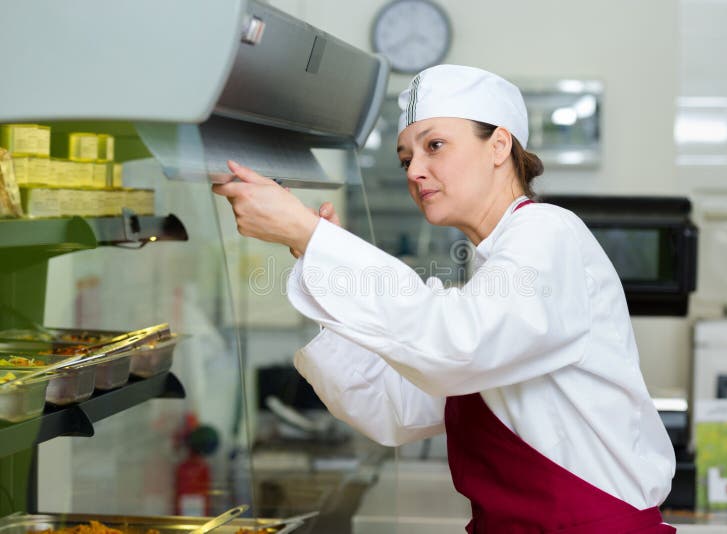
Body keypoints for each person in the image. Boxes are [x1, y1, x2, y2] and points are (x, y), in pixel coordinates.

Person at [213, 64, 676, 533]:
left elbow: (455, 346)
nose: (415, 171)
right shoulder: (490, 268)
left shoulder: (548, 232)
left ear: (499, 145)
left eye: (435, 146)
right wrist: (312, 253)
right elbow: (396, 409)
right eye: (405, 157)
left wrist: (314, 239)